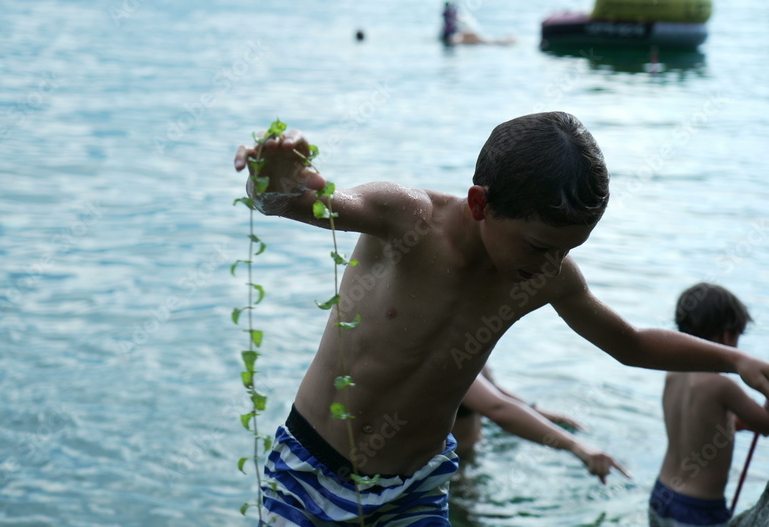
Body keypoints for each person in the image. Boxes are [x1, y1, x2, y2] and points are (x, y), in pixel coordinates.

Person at [232, 111, 769, 526]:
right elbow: (294, 202)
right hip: (313, 469)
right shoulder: (405, 217)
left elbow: (628, 342)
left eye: (566, 250)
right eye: (539, 246)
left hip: (416, 486)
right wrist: (271, 180)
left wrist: (737, 359)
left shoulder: (547, 275)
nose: (550, 265)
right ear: (480, 203)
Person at [649, 283, 769, 527]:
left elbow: (696, 426)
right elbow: (766, 426)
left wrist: (734, 425)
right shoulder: (721, 386)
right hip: (699, 508)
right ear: (726, 335)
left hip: (661, 494)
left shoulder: (673, 374)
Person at [455, 367, 628, 484]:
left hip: (466, 458)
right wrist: (575, 446)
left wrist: (535, 411)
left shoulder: (463, 337)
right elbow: (497, 409)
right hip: (448, 470)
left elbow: (488, 387)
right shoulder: (447, 349)